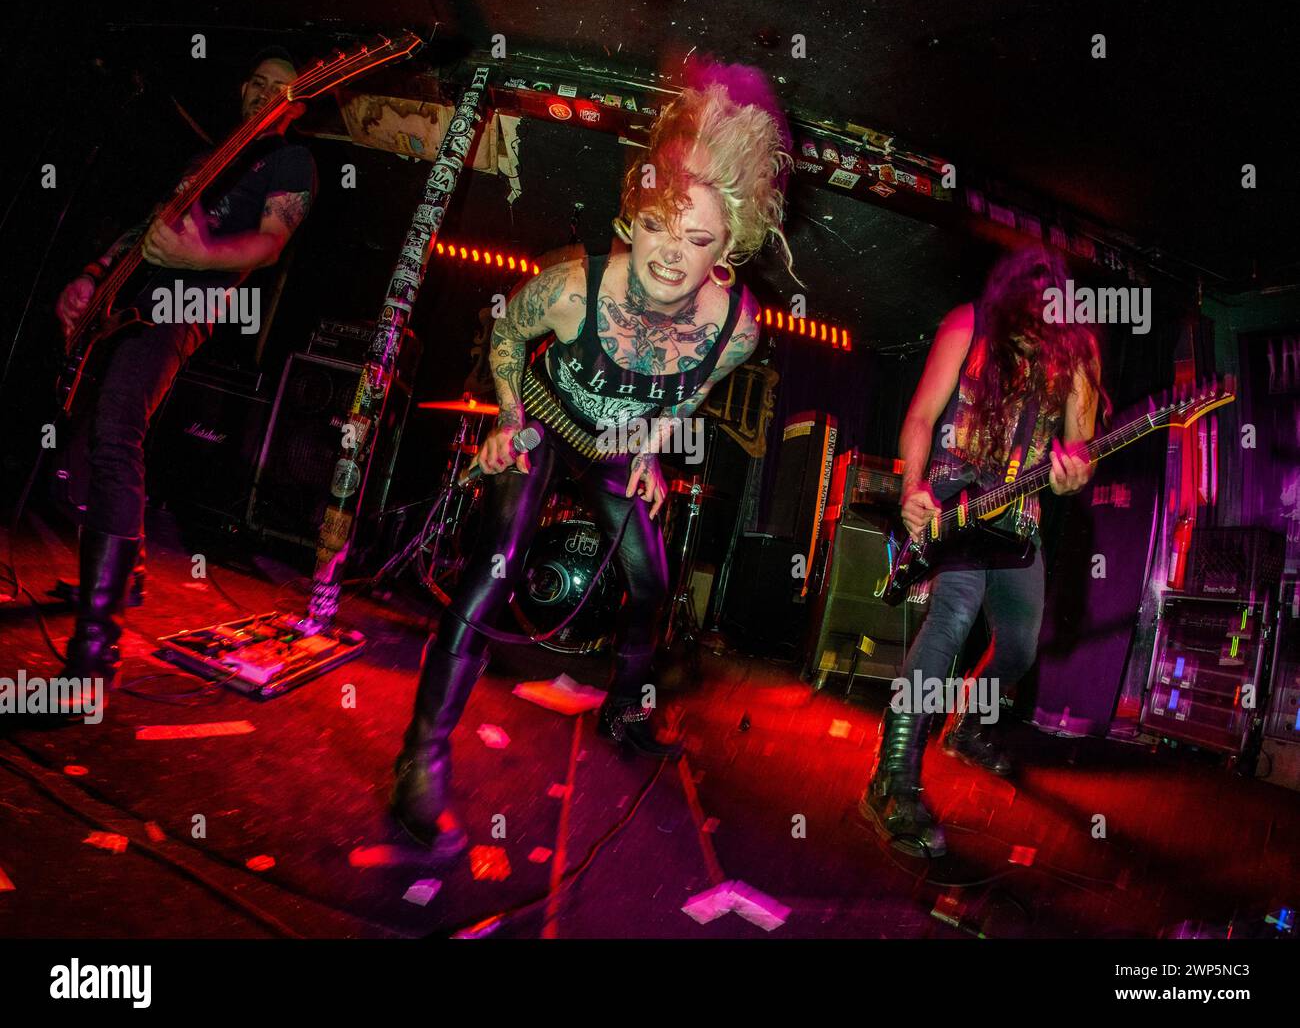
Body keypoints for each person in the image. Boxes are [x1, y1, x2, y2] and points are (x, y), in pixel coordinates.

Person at [392, 59, 797, 853]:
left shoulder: (738, 330)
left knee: (653, 580)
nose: (669, 254)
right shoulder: (575, 289)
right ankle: (422, 759)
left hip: (613, 446)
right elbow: (509, 335)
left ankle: (626, 708)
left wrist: (648, 449)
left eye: (696, 237)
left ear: (729, 246)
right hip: (545, 419)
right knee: (495, 565)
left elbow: (688, 394)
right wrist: (507, 419)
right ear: (634, 214)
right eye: (657, 224)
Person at [49, 48, 317, 713]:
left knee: (115, 429)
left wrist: (198, 254)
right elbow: (147, 229)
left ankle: (94, 648)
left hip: (192, 301)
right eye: (254, 80)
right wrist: (90, 274)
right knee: (93, 433)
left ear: (298, 103)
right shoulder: (206, 159)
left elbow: (268, 243)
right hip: (133, 290)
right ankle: (127, 571)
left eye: (278, 87)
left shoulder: (289, 161)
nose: (262, 92)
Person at [861, 245, 1108, 857]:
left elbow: (1083, 449)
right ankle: (891, 780)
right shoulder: (966, 325)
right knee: (951, 618)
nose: (1031, 346)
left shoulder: (1077, 354)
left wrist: (1076, 469)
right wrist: (914, 485)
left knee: (1020, 647)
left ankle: (967, 726)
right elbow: (920, 416)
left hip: (1020, 514)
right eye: (1024, 332)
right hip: (957, 501)